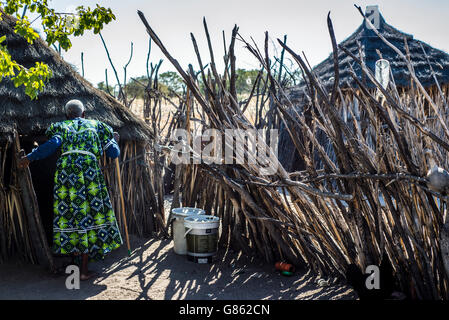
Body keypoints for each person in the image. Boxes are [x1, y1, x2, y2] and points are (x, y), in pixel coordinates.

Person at [18, 99, 123, 280]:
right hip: (90, 177)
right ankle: (82, 271)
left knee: (71, 215)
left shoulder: (61, 127)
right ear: (84, 114)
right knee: (89, 215)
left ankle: (75, 265)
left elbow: (51, 146)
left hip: (67, 177)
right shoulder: (98, 126)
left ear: (67, 115)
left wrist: (30, 157)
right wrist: (113, 140)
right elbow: (113, 153)